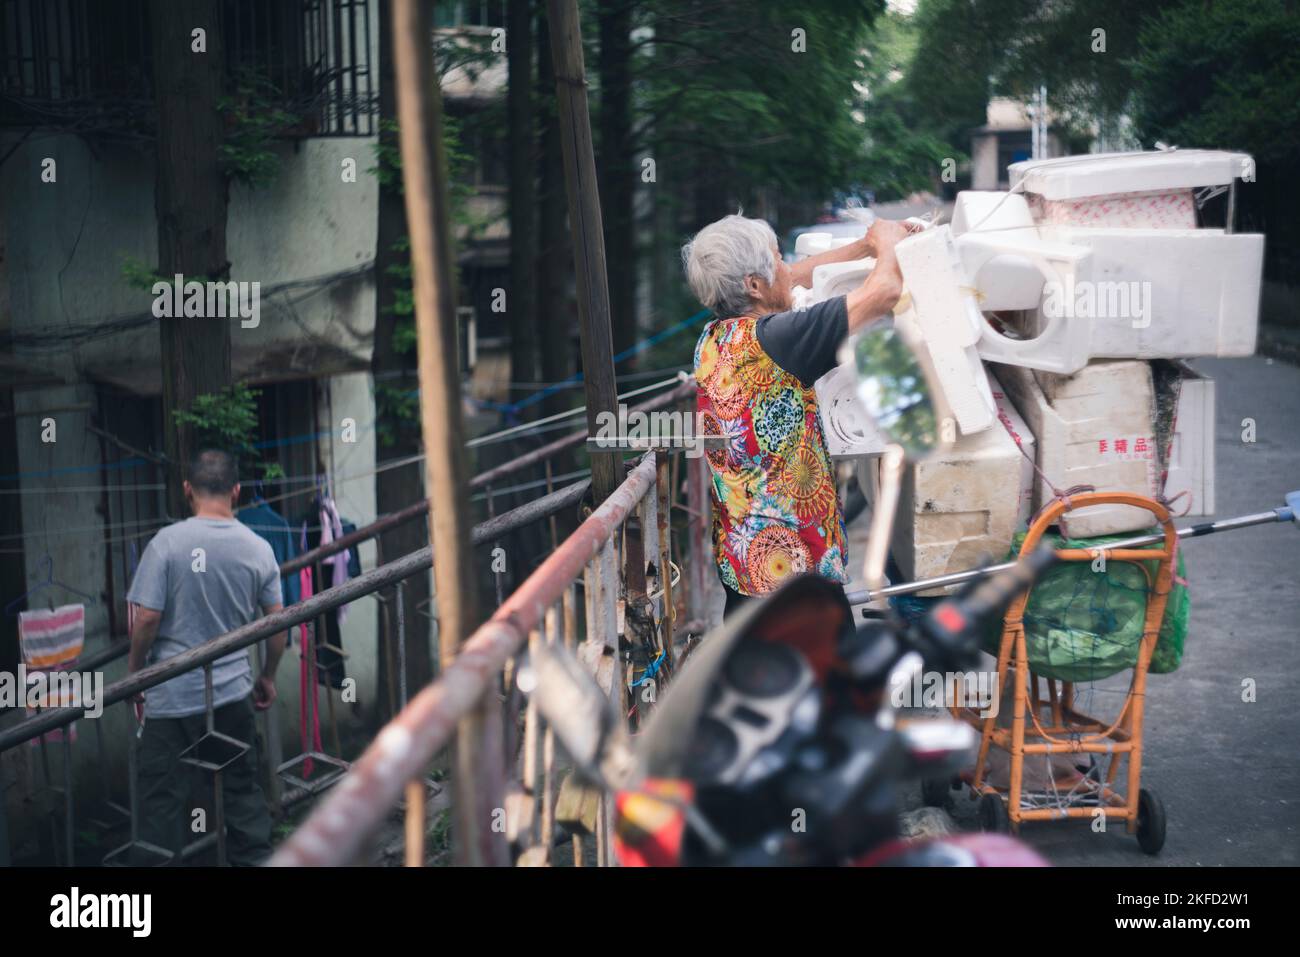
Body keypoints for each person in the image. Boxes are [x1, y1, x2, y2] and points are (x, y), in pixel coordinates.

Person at [683, 213, 910, 618]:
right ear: (754, 285)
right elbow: (885, 291)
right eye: (778, 261)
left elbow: (796, 275)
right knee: (832, 682)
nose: (789, 270)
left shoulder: (714, 339)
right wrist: (890, 240)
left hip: (745, 571)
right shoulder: (779, 342)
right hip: (797, 583)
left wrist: (863, 246)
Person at [127, 448, 288, 865]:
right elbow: (277, 626)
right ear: (236, 490)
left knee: (160, 809)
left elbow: (146, 618)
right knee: (241, 795)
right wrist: (268, 676)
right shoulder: (258, 549)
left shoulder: (166, 544)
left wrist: (135, 677)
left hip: (171, 700)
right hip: (231, 697)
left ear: (187, 490)